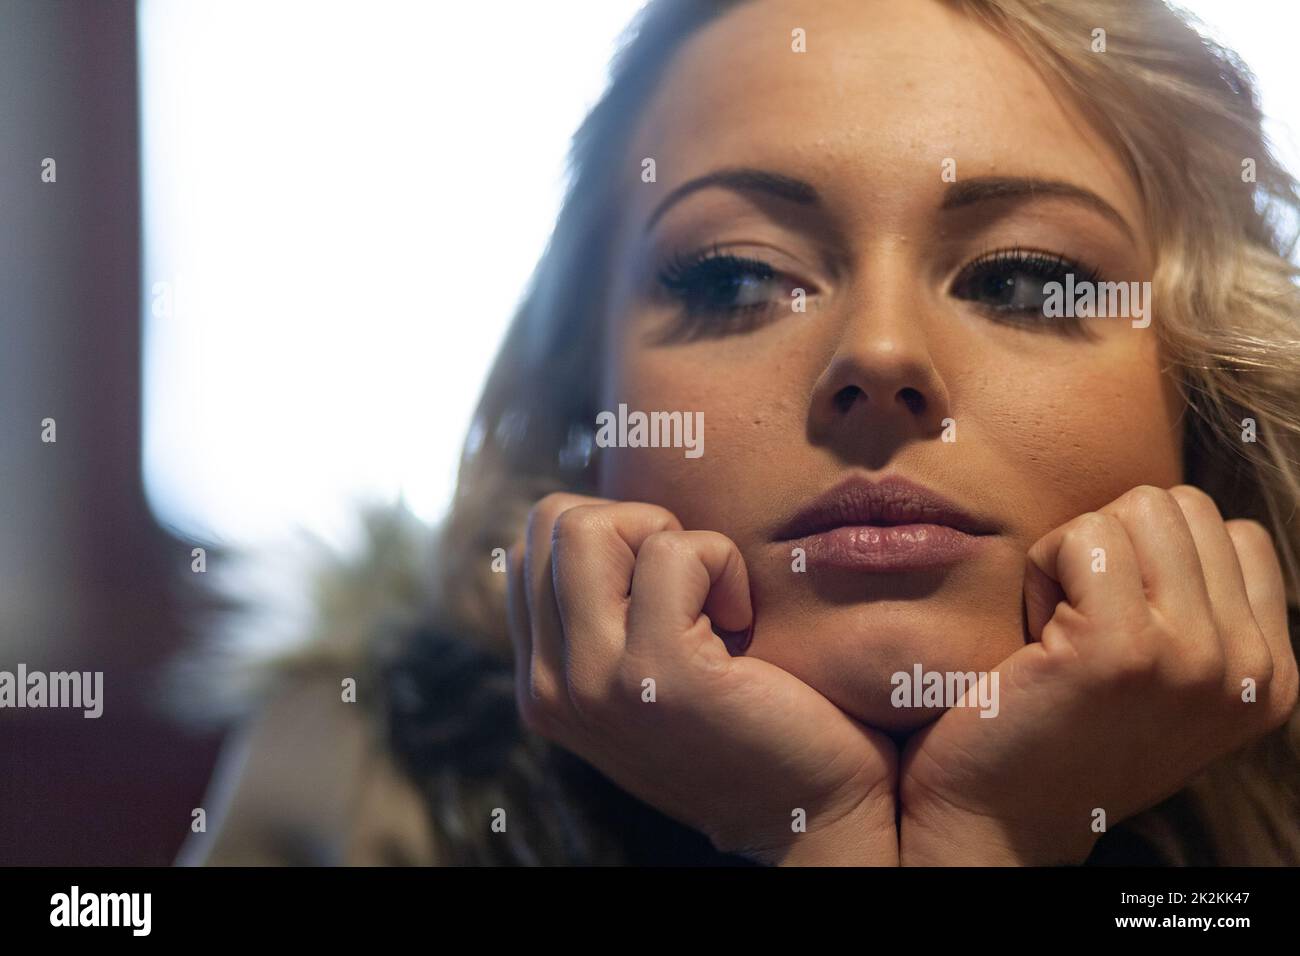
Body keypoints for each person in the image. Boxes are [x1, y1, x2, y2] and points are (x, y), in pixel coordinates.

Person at [179, 0, 1300, 866]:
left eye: (1021, 277)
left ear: (1201, 389)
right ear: (586, 409)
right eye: (734, 276)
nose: (879, 356)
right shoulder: (364, 782)